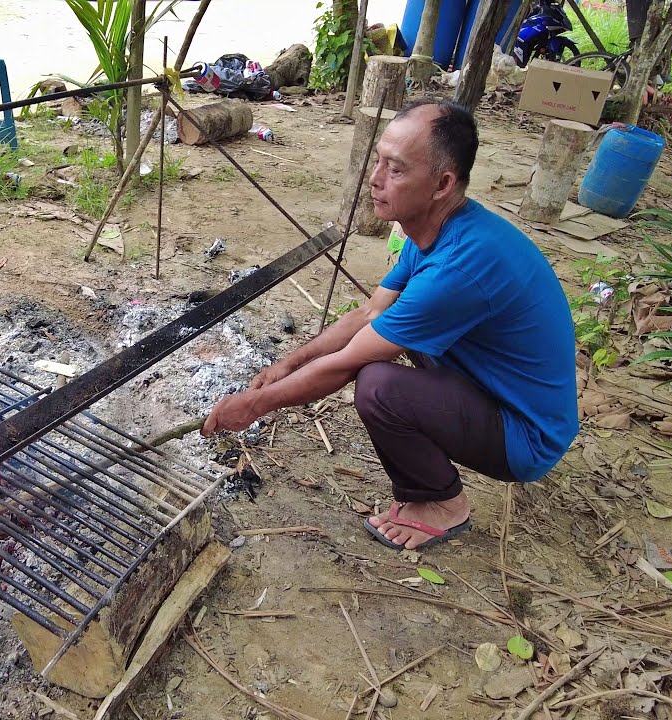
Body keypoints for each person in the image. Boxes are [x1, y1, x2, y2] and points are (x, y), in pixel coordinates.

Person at [201, 99, 579, 551]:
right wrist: (287, 364)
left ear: (443, 184)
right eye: (378, 160)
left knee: (379, 385)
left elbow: (348, 362)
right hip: (492, 391)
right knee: (391, 338)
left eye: (395, 169)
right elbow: (369, 314)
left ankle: (443, 503)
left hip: (526, 435)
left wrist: (255, 405)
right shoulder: (434, 229)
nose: (376, 179)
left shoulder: (460, 267)